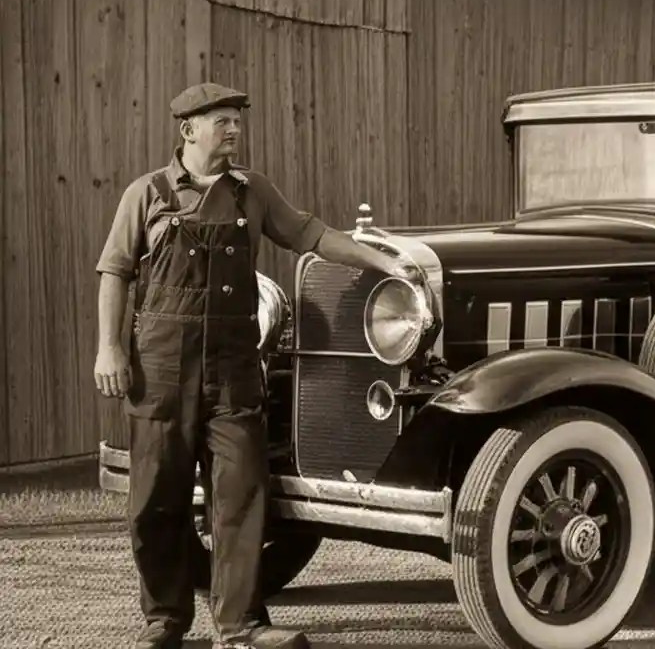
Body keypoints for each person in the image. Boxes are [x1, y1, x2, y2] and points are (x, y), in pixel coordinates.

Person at [92, 82, 417, 649]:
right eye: (221, 120)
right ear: (188, 129)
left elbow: (311, 235)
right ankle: (164, 620)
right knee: (154, 501)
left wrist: (383, 260)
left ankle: (240, 626)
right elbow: (114, 273)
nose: (234, 129)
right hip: (162, 371)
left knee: (241, 496)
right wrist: (109, 348)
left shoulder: (252, 193)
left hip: (234, 370)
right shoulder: (147, 194)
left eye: (237, 120)